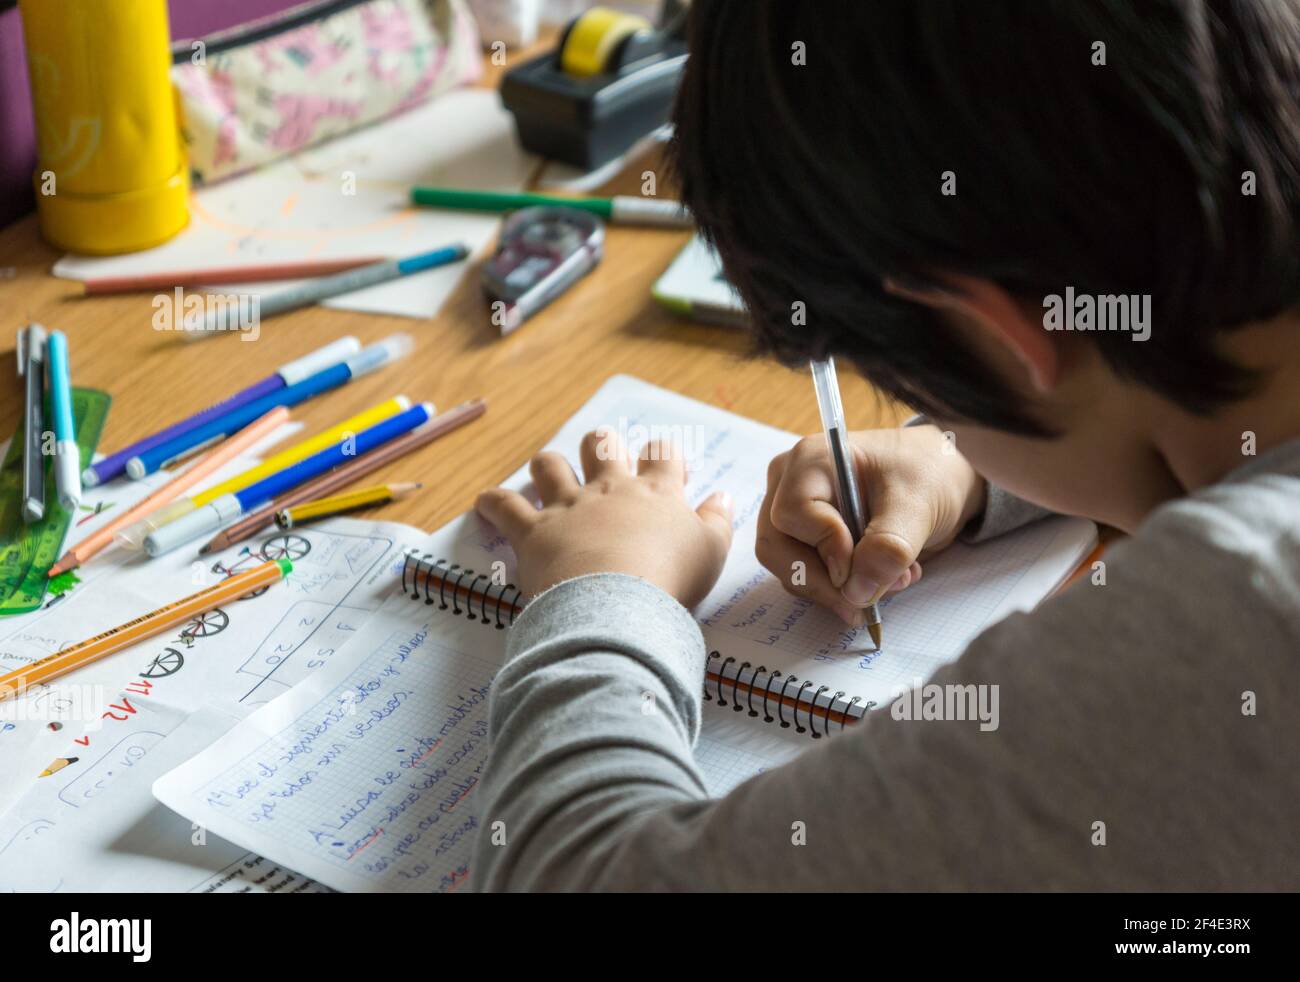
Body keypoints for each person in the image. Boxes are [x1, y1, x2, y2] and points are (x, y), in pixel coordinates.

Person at [469, 0, 1300, 890]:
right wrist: (968, 457)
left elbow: (573, 878)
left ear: (1006, 336)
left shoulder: (1230, 625)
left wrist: (604, 594)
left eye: (908, 383)